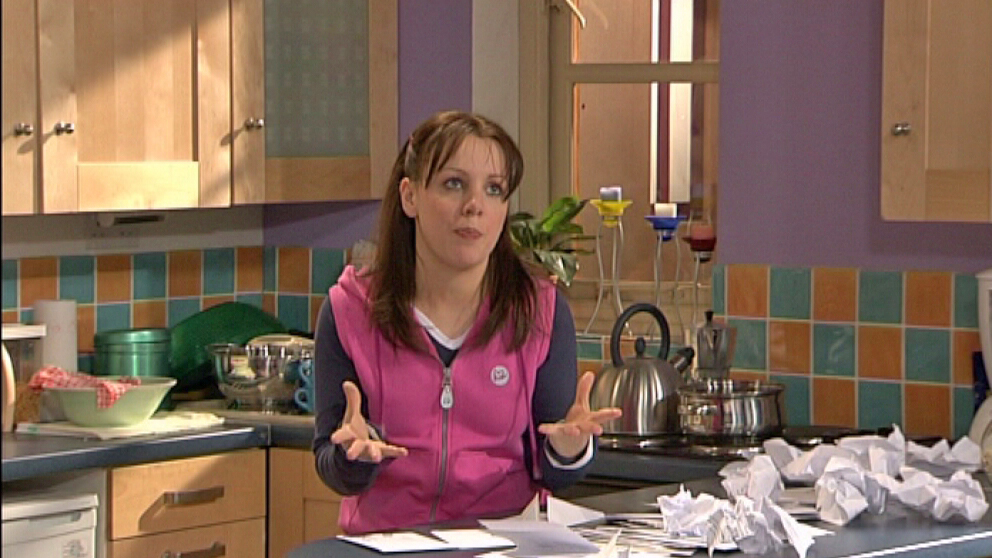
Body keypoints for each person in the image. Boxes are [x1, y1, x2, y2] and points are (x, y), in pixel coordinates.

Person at [311, 110, 622, 534]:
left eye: (494, 189)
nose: (475, 206)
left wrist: (569, 450)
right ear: (410, 196)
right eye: (454, 184)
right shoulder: (350, 310)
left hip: (503, 545)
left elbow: (554, 472)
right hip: (386, 544)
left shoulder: (540, 311)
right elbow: (330, 461)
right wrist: (354, 459)